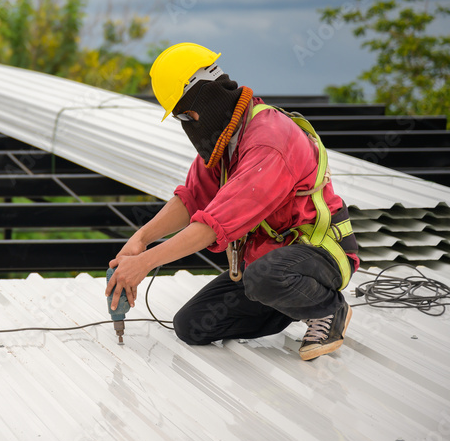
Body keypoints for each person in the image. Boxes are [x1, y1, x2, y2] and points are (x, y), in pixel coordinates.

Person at [105, 42, 359, 360]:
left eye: (184, 113)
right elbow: (192, 200)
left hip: (319, 254)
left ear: (202, 99)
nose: (188, 123)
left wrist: (145, 263)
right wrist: (141, 239)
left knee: (264, 278)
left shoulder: (269, 140)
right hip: (268, 264)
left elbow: (214, 225)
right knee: (192, 326)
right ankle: (287, 302)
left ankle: (327, 308)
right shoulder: (225, 141)